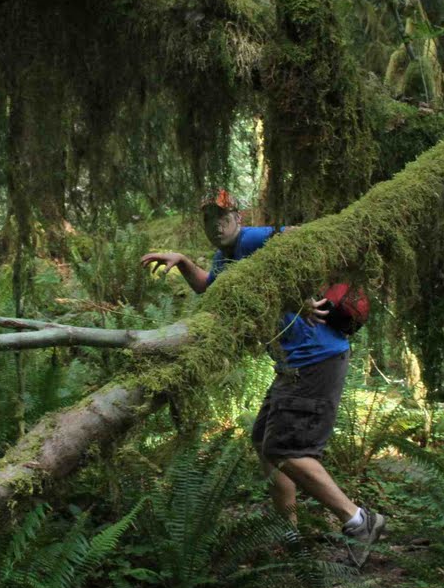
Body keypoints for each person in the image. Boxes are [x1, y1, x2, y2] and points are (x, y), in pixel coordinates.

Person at [140, 189, 386, 566]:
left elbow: (304, 240)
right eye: (208, 219)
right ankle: (288, 535)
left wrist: (298, 293)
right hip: (292, 363)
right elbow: (212, 289)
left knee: (285, 451)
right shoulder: (225, 258)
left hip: (317, 357)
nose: (216, 225)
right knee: (264, 442)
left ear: (239, 217)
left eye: (223, 216)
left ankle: (358, 520)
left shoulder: (255, 239)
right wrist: (185, 262)